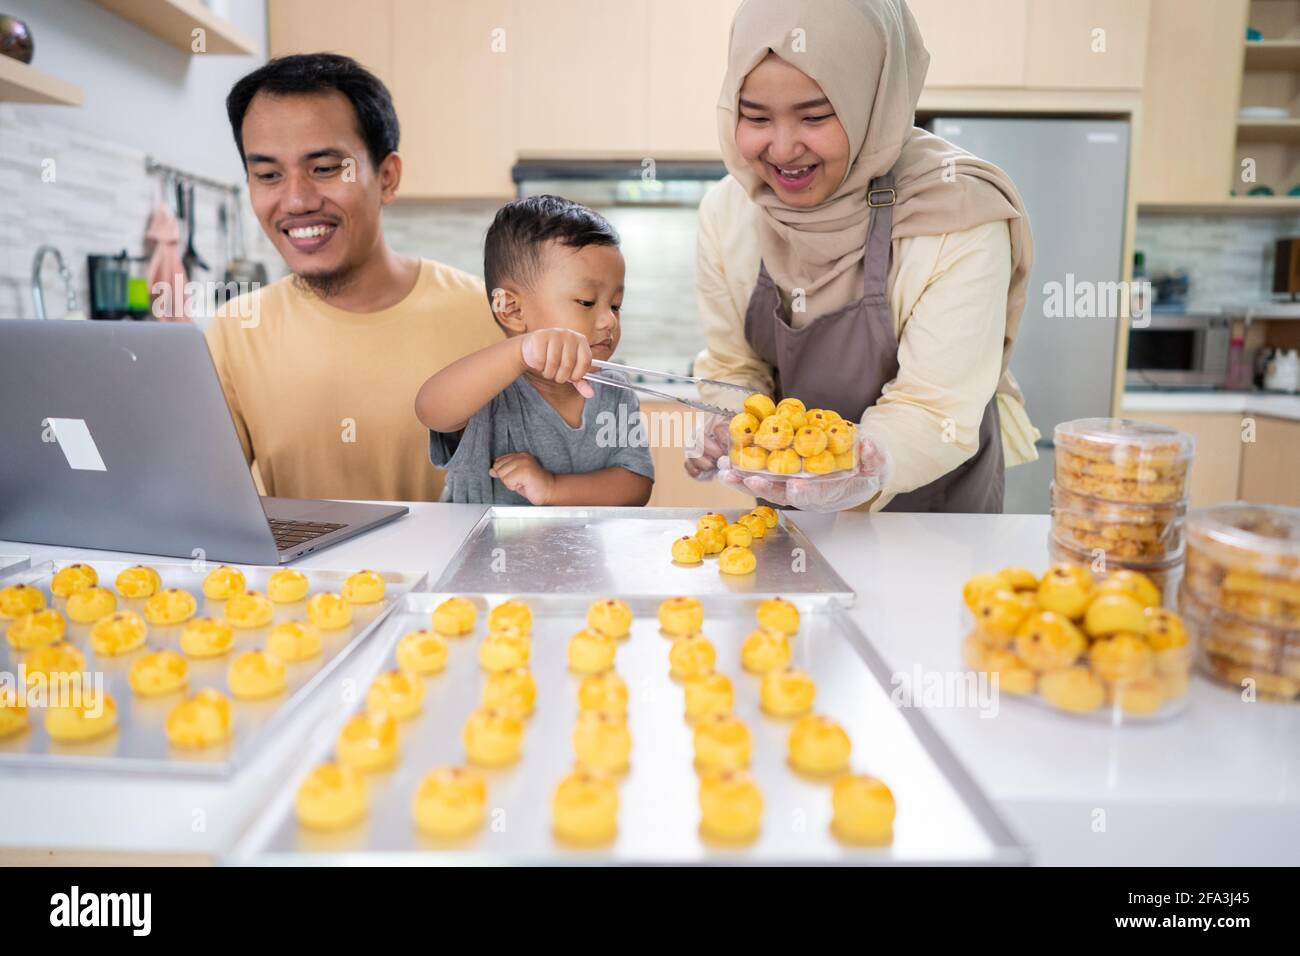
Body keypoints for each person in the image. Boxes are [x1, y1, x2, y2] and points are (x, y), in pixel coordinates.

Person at [685, 0, 1039, 513]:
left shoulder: (957, 211)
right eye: (756, 116)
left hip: (932, 517)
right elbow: (736, 367)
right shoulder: (730, 210)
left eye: (815, 116)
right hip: (795, 509)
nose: (782, 150)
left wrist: (856, 463)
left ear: (873, 101)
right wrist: (725, 422)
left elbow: (932, 405)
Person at [207, 53, 502, 502]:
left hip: (459, 574)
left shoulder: (493, 320)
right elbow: (205, 500)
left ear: (387, 176)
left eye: (325, 169)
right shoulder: (235, 330)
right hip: (301, 576)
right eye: (268, 174)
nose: (297, 200)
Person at [415, 196, 654, 505]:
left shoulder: (616, 392)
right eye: (586, 301)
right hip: (482, 552)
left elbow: (636, 486)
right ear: (512, 310)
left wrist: (553, 487)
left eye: (616, 305)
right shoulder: (488, 391)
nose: (609, 320)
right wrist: (521, 351)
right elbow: (430, 410)